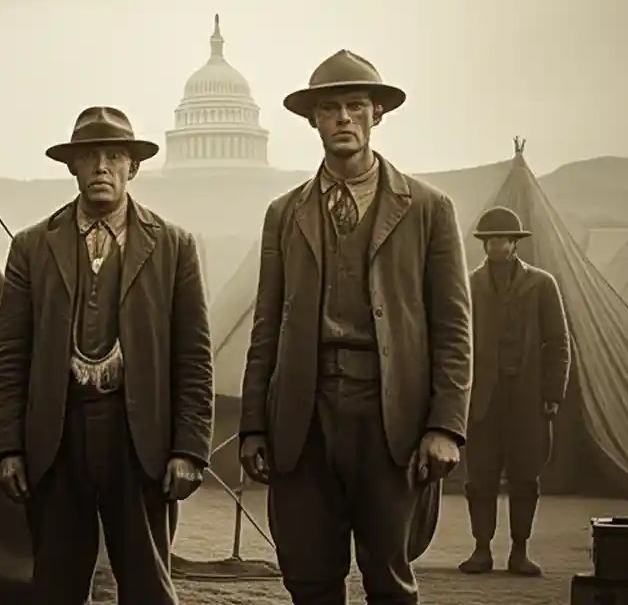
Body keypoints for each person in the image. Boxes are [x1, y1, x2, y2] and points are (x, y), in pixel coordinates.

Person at [238, 50, 473, 604]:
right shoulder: (285, 212)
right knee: (309, 574)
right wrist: (252, 425)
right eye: (329, 108)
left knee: (388, 575)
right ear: (313, 121)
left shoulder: (428, 209)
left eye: (355, 106)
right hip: (304, 413)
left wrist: (446, 426)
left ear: (377, 115)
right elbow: (267, 322)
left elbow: (454, 327)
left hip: (390, 416)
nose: (343, 118)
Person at [0, 106, 213, 604]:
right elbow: (10, 355)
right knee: (57, 583)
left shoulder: (173, 246)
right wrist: (8, 446)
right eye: (90, 157)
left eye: (115, 156)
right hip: (57, 433)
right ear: (72, 167)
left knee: (147, 582)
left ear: (134, 167)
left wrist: (190, 448)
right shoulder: (31, 246)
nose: (102, 168)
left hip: (139, 437)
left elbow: (194, 356)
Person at [458, 206, 570, 577]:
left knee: (525, 477)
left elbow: (557, 342)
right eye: (490, 241)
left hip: (527, 399)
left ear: (515, 244)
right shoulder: (469, 285)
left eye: (503, 240)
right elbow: (456, 342)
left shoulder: (541, 284)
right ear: (483, 245)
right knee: (480, 479)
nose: (496, 246)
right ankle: (481, 549)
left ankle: (520, 550)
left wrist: (552, 392)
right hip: (482, 401)